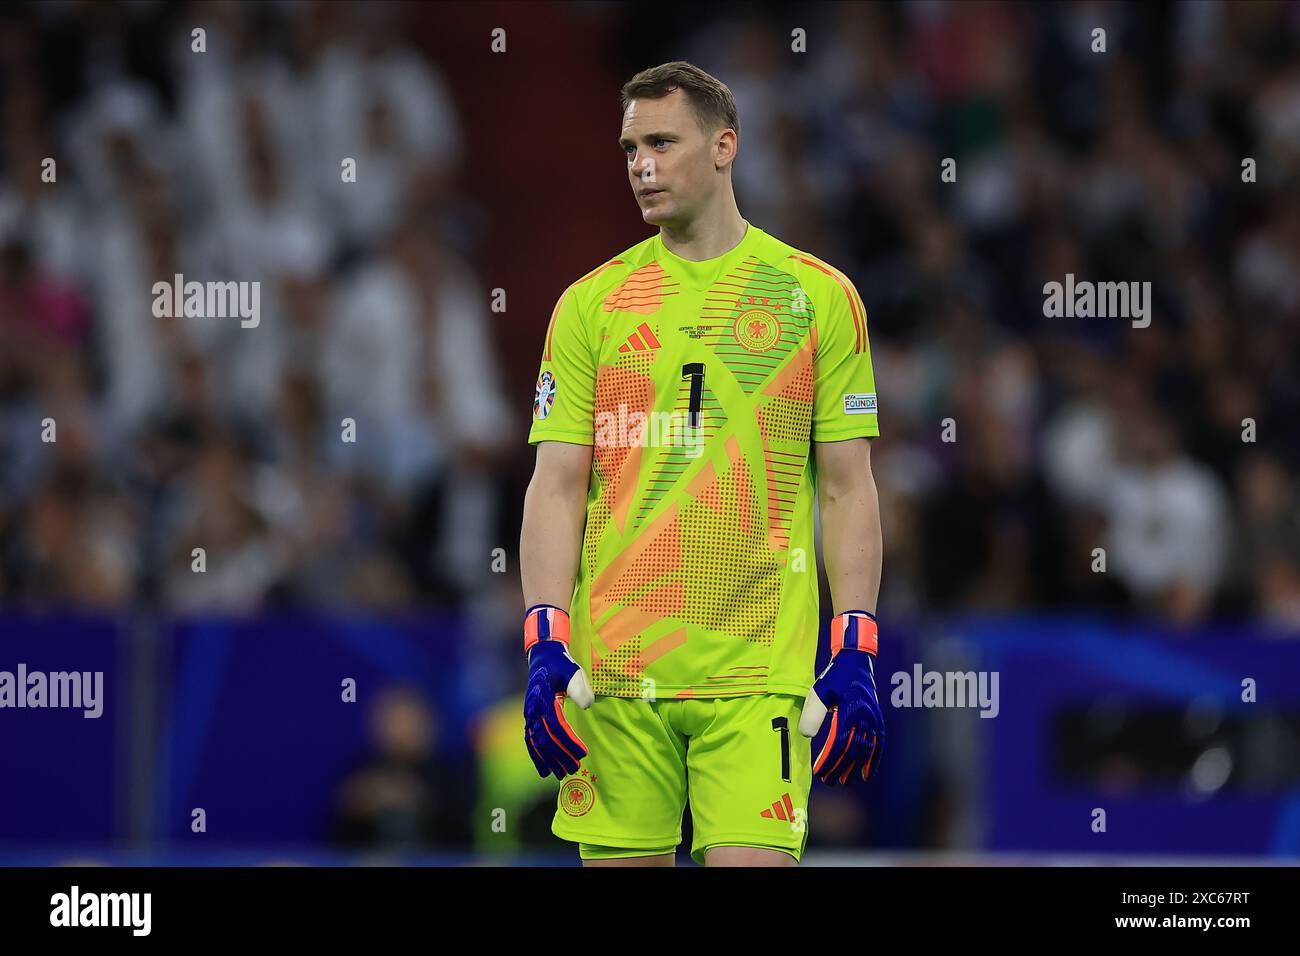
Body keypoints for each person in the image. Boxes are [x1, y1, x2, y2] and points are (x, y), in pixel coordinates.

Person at [518, 61, 885, 867]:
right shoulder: (590, 306)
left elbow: (847, 486)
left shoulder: (817, 298)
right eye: (628, 149)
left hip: (758, 678)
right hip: (616, 680)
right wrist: (546, 638)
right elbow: (557, 486)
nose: (641, 166)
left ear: (725, 146)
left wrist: (854, 643)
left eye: (661, 142)